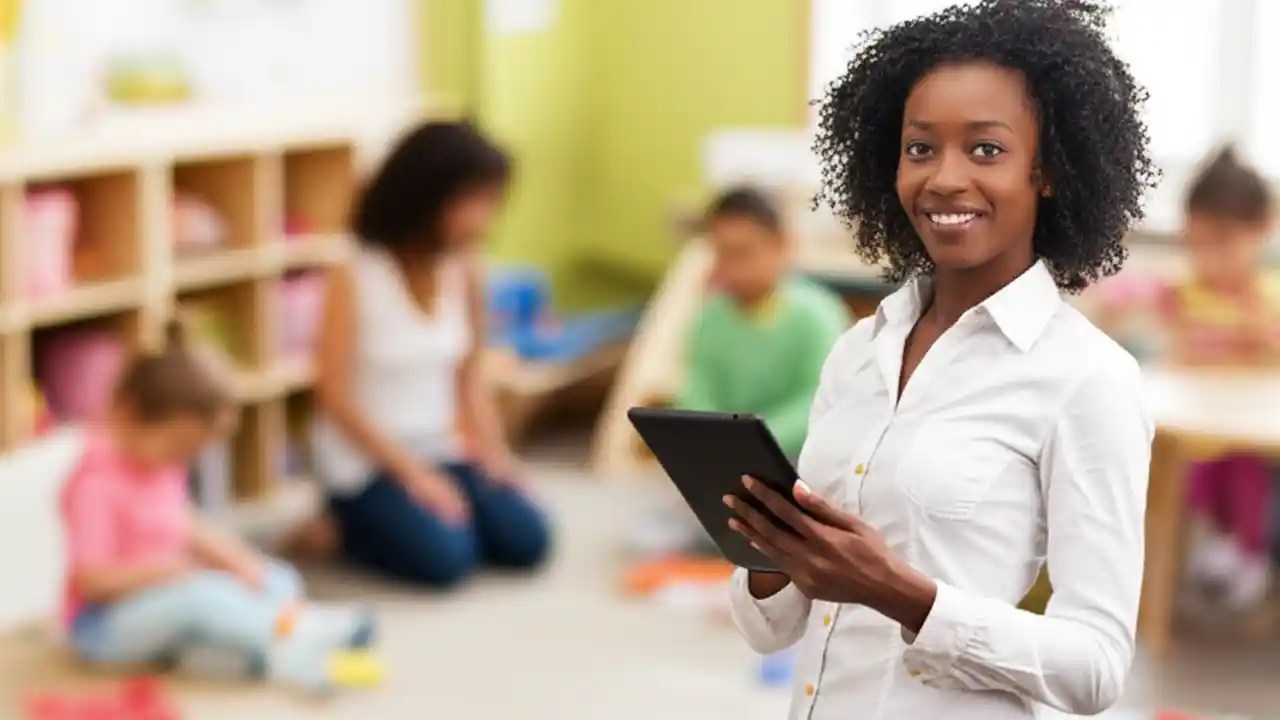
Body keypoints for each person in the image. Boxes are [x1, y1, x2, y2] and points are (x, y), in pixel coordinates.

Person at [721, 1, 1156, 717]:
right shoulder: (858, 350)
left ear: (1048, 170)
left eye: (986, 149)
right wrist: (769, 552)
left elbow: (1097, 668)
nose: (944, 179)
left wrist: (901, 593)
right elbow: (770, 628)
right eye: (920, 148)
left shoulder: (1089, 380)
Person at [61, 322, 374, 694]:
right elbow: (92, 582)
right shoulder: (96, 484)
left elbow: (185, 524)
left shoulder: (160, 468)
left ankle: (278, 637)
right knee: (199, 597)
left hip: (166, 598)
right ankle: (292, 642)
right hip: (103, 627)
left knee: (273, 577)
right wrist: (172, 572)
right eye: (178, 446)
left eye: (191, 452)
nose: (183, 459)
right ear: (129, 415)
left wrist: (241, 563)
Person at [313, 121, 551, 588]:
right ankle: (337, 527)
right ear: (428, 195)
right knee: (445, 558)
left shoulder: (467, 270)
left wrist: (497, 458)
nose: (484, 220)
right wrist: (414, 476)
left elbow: (469, 380)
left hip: (439, 448)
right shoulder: (354, 271)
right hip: (366, 462)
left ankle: (427, 512)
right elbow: (334, 398)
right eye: (475, 202)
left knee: (528, 539)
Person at [1165, 146, 1278, 608]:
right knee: (1202, 473)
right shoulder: (1186, 291)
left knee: (1244, 472)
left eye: (1224, 244)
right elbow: (1175, 348)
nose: (1209, 259)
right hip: (1201, 429)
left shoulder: (1266, 295)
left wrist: (1258, 334)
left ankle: (1248, 551)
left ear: (1262, 231)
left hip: (1258, 434)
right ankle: (1225, 545)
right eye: (1198, 245)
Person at [677, 187, 850, 460]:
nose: (732, 268)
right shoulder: (711, 318)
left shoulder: (817, 316)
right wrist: (710, 438)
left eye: (743, 253)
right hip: (725, 457)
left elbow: (817, 401)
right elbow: (697, 391)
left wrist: (751, 442)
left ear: (782, 244)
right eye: (722, 253)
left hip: (802, 464)